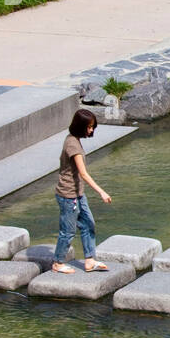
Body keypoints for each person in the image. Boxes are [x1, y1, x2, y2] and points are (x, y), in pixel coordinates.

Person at [52, 108, 113, 274]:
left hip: (77, 194)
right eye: (89, 126)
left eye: (92, 126)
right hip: (68, 196)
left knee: (88, 224)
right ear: (80, 126)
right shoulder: (73, 145)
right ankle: (58, 262)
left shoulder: (73, 139)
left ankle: (90, 260)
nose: (91, 130)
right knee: (68, 231)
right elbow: (83, 174)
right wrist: (101, 192)